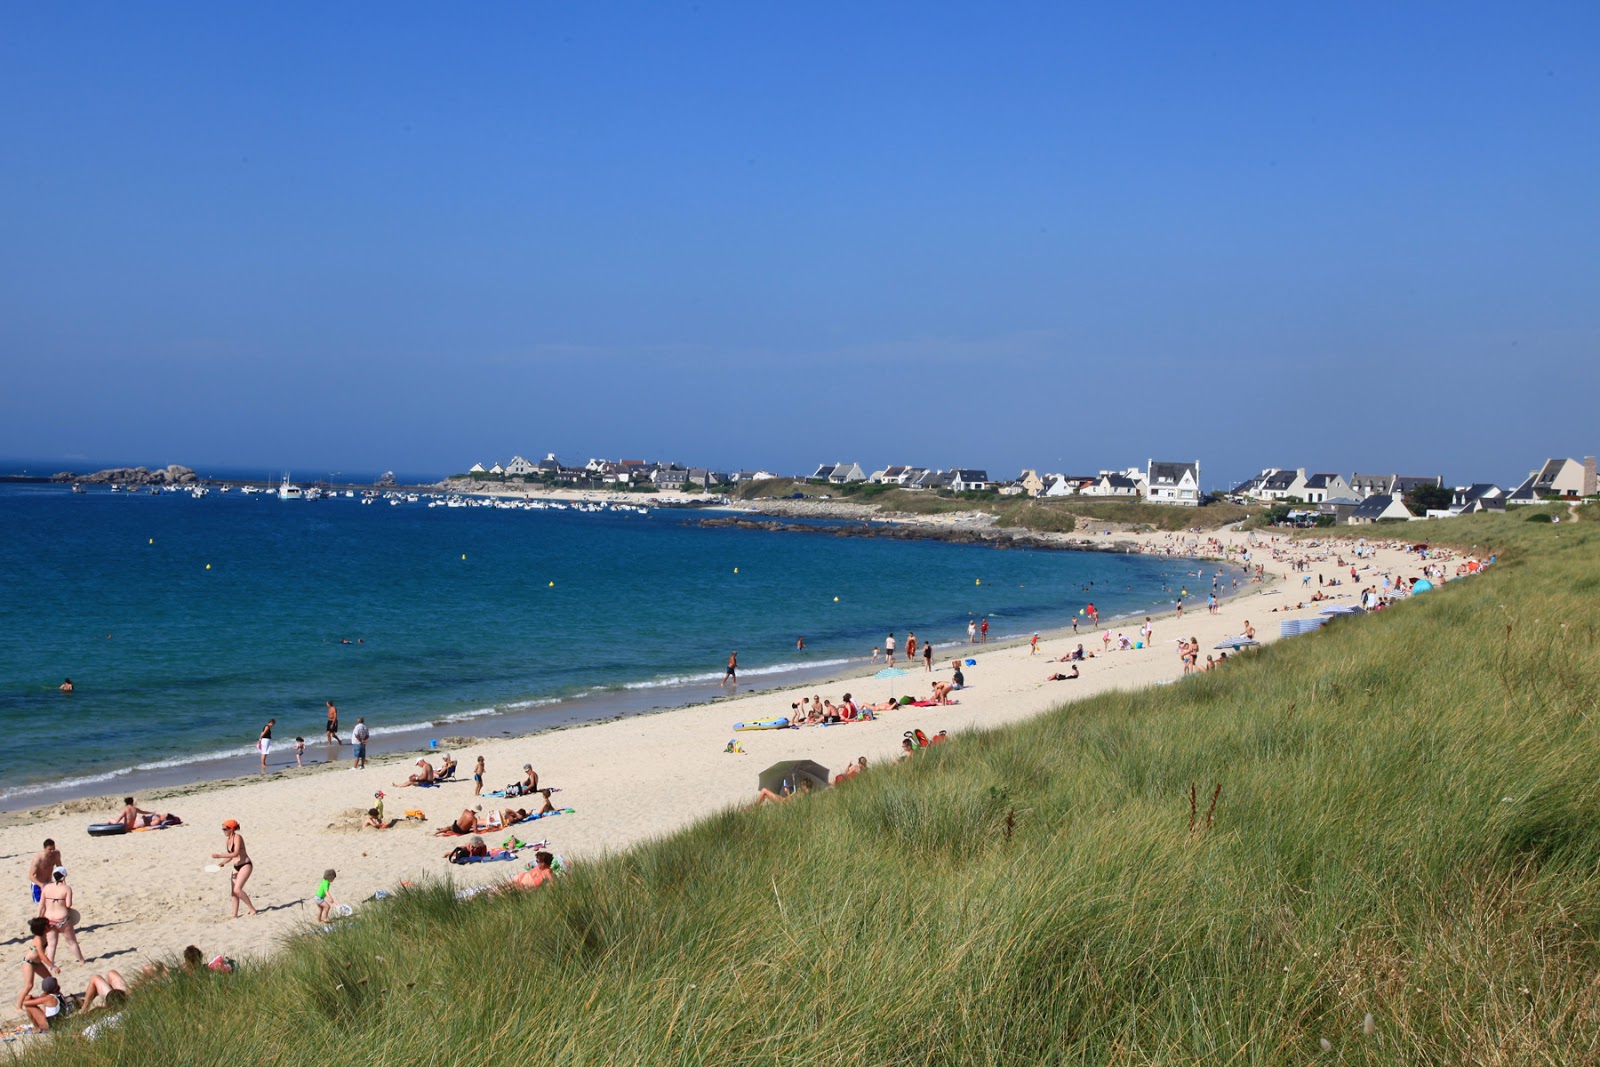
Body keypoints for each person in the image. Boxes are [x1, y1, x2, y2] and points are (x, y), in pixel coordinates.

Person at [38, 866, 86, 965]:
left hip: (49, 919)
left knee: (51, 944)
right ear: (64, 877)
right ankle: (81, 961)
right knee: (72, 942)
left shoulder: (46, 888)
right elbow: (68, 904)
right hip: (62, 919)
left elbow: (41, 905)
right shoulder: (66, 889)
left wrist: (40, 916)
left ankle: (50, 964)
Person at [212, 819, 256, 918]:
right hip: (236, 867)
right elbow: (232, 856)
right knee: (233, 893)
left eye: (225, 829)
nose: (223, 831)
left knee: (237, 889)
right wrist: (222, 863)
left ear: (231, 829)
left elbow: (236, 853)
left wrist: (219, 856)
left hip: (245, 865)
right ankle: (234, 915)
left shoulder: (237, 837)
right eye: (222, 829)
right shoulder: (227, 840)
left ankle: (252, 909)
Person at [18, 916, 56, 1011]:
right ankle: (18, 1007)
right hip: (29, 963)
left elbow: (51, 927)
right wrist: (52, 965)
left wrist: (55, 926)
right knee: (29, 986)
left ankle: (49, 999)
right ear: (43, 928)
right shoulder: (38, 939)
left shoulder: (44, 934)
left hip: (37, 963)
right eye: (47, 925)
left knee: (50, 980)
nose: (49, 926)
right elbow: (42, 955)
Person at [29, 840, 61, 905]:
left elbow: (59, 868)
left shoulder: (56, 854)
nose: (52, 851)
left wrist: (60, 880)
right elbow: (31, 876)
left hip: (49, 883)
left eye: (53, 848)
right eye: (50, 849)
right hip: (38, 884)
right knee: (40, 906)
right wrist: (41, 885)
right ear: (44, 848)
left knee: (52, 904)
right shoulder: (38, 859)